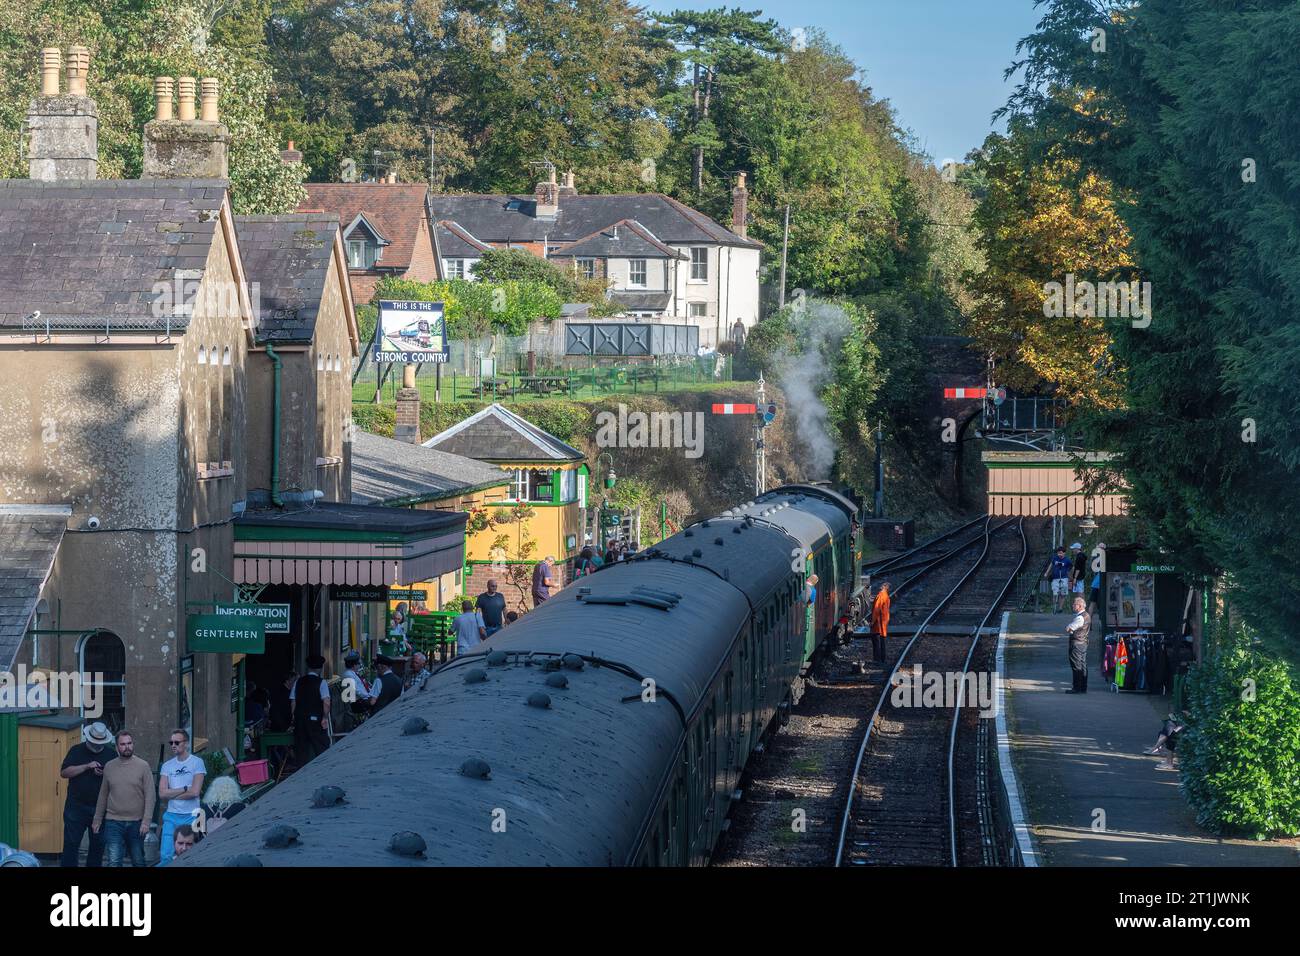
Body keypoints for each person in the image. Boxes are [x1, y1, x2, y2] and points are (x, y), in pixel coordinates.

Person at [92, 730, 155, 868]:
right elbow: (103, 795)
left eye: (129, 743)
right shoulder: (109, 766)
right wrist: (97, 819)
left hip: (136, 823)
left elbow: (150, 795)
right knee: (114, 862)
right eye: (123, 744)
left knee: (138, 861)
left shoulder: (143, 766)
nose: (127, 747)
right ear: (116, 747)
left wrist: (146, 821)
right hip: (113, 822)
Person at [59, 721, 115, 868]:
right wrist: (86, 767)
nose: (97, 745)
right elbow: (64, 773)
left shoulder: (111, 753)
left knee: (98, 847)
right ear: (88, 738)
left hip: (100, 808)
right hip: (76, 806)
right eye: (95, 742)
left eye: (100, 742)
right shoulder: (76, 750)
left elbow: (117, 778)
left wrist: (105, 773)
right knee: (71, 845)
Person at [157, 727, 205, 865]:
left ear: (187, 743)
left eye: (177, 742)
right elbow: (161, 793)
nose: (173, 745)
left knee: (188, 854)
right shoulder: (167, 766)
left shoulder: (196, 762)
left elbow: (195, 792)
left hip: (191, 815)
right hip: (171, 815)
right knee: (166, 856)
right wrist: (184, 789)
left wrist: (171, 794)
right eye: (171, 743)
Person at [290, 655, 331, 767]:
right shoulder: (321, 683)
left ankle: (301, 772)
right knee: (321, 747)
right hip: (315, 720)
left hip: (300, 720)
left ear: (308, 667)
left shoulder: (298, 682)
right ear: (320, 668)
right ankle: (323, 769)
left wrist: (294, 716)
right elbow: (326, 702)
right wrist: (325, 718)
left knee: (301, 749)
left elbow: (293, 702)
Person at [1065, 595, 1091, 693]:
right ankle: (1083, 687)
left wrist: (1068, 627)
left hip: (1077, 643)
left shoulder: (1080, 617)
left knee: (1076, 665)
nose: (1073, 606)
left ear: (1080, 606)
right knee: (1083, 665)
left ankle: (1077, 687)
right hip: (1083, 642)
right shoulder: (1087, 615)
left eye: (1074, 604)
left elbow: (1069, 628)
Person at [1045, 546, 1072, 613]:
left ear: (1064, 553)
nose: (1059, 554)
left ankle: (1060, 608)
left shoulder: (1067, 560)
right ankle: (1054, 607)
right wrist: (1047, 573)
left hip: (1064, 578)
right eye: (1058, 553)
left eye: (1061, 553)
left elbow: (1071, 566)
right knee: (1055, 592)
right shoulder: (1055, 558)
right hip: (1055, 578)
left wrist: (1070, 575)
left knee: (1063, 593)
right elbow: (1051, 565)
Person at [870, 582, 891, 664]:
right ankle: (883, 659)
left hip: (878, 624)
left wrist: (872, 621)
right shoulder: (886, 596)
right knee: (882, 642)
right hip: (883, 624)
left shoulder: (880, 596)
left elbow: (876, 609)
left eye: (882, 585)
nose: (881, 586)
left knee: (876, 642)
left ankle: (877, 660)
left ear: (885, 587)